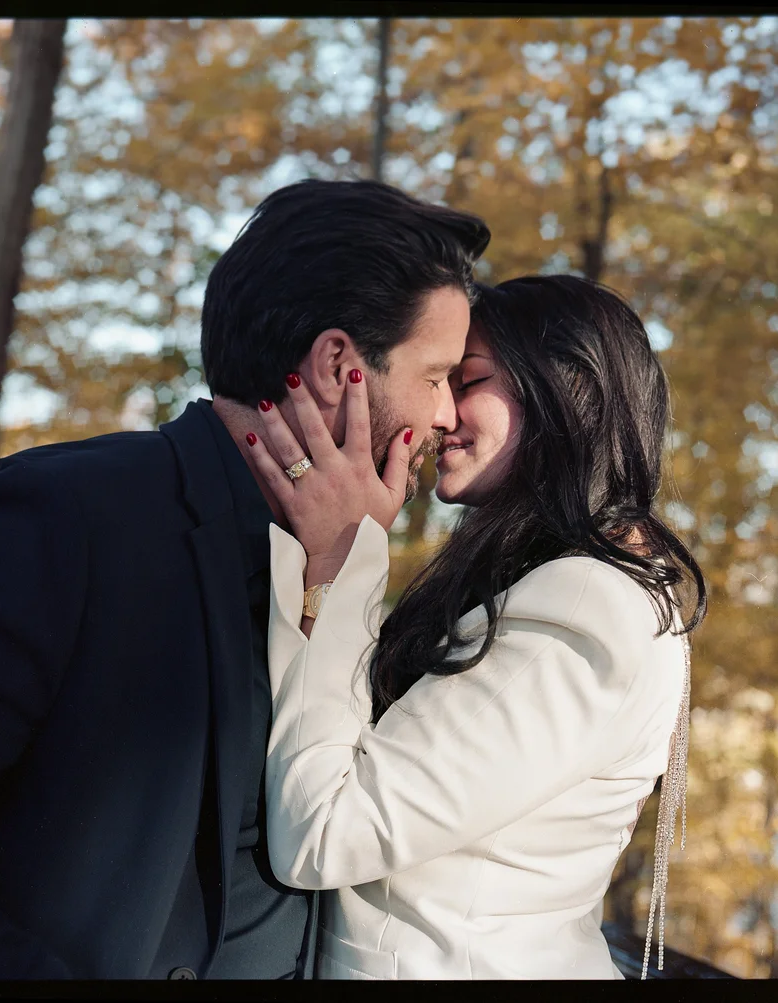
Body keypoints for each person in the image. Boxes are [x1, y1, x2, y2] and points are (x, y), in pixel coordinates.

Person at [0, 179, 490, 980]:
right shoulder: (64, 514)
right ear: (338, 364)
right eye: (437, 375)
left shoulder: (350, 566)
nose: (449, 414)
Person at [246, 275, 707, 980]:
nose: (442, 411)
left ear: (565, 389)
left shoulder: (587, 603)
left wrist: (342, 558)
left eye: (470, 380)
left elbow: (326, 832)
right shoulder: (561, 580)